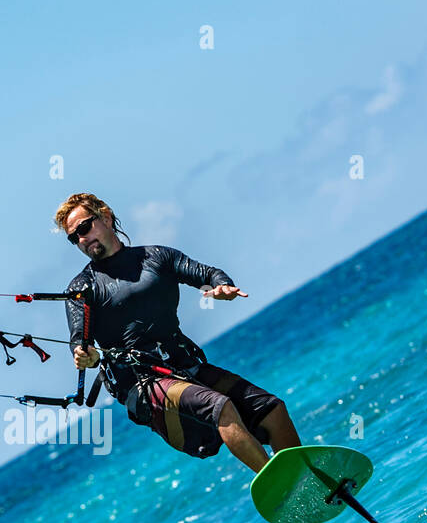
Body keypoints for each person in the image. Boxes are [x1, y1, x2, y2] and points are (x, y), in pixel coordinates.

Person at [55, 192, 300, 473]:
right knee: (219, 406)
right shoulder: (82, 288)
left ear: (106, 217)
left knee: (272, 409)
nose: (82, 239)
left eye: (84, 228)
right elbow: (79, 340)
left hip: (186, 367)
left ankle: (305, 478)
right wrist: (83, 354)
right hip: (144, 385)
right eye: (74, 238)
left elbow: (207, 274)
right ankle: (279, 483)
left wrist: (221, 286)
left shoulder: (156, 257)